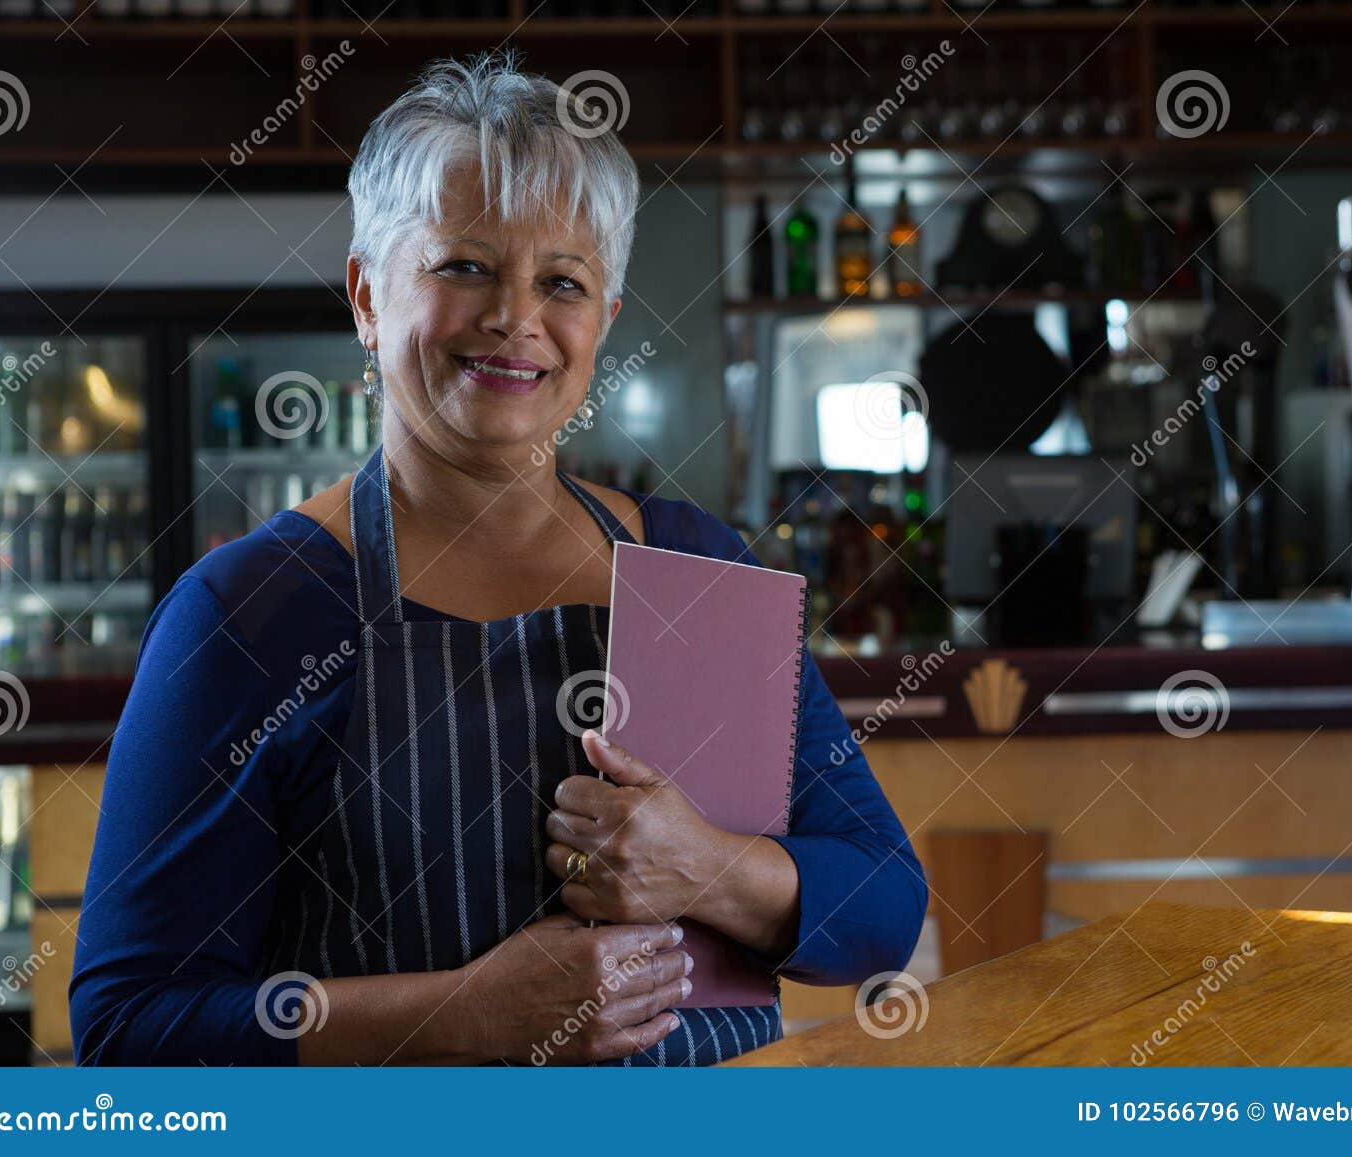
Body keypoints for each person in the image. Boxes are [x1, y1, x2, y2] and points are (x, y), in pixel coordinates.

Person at [69, 50, 925, 1066]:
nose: (514, 316)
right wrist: (459, 1012)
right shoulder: (252, 612)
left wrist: (709, 869)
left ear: (601, 322)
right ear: (366, 296)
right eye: (463, 265)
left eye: (560, 280)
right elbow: (128, 1027)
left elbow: (885, 907)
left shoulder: (698, 567)